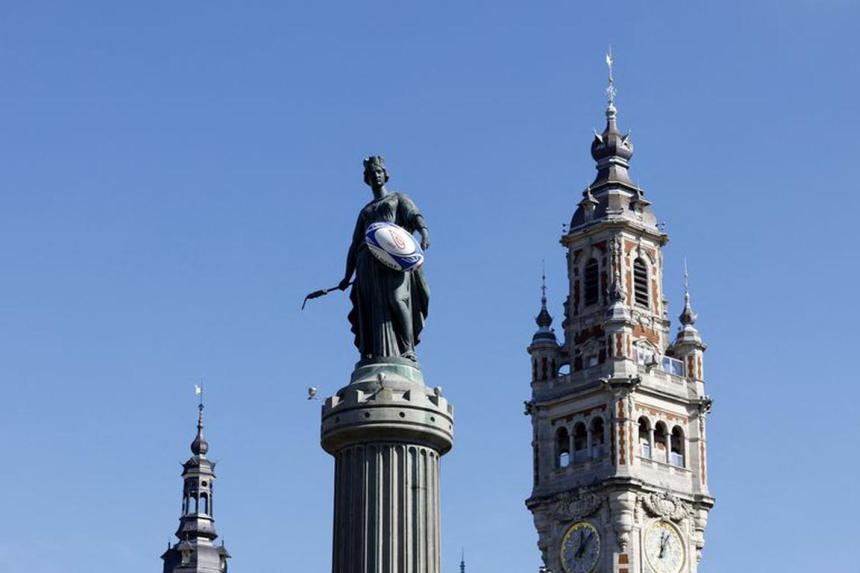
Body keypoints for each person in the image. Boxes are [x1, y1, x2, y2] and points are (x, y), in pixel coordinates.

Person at [338, 156, 430, 362]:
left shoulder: (398, 198)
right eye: (371, 174)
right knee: (369, 307)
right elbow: (354, 244)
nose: (376, 176)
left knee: (397, 299)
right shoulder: (366, 211)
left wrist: (424, 232)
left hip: (395, 261)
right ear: (367, 179)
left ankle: (408, 349)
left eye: (378, 172)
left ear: (385, 175)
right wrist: (346, 276)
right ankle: (369, 353)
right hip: (367, 263)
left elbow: (415, 216)